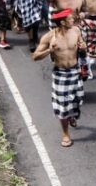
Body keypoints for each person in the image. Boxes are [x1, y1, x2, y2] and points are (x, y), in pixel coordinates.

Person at [32, 9, 87, 148]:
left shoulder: (76, 31)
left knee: (77, 100)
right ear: (62, 22)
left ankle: (72, 115)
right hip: (60, 74)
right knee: (63, 107)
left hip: (75, 71)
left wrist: (83, 47)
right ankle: (65, 133)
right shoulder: (50, 37)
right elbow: (35, 56)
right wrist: (49, 51)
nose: (73, 20)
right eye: (70, 19)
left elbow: (82, 46)